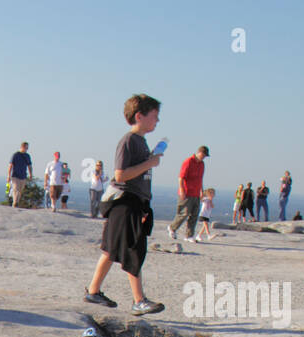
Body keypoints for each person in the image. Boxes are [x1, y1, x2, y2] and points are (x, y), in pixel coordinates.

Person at [83, 93, 164, 316]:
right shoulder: (129, 141)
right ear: (139, 116)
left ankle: (93, 291)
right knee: (133, 249)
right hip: (125, 202)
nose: (157, 121)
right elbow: (120, 174)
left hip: (134, 202)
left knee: (111, 249)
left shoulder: (140, 142)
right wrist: (150, 163)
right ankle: (139, 300)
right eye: (154, 116)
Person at [168, 145, 209, 241]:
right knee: (184, 212)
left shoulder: (202, 164)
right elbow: (181, 177)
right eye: (203, 155)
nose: (204, 157)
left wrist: (201, 191)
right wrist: (182, 190)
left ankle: (189, 235)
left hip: (196, 193)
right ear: (199, 152)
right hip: (187, 192)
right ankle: (172, 228)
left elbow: (200, 179)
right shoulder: (188, 161)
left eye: (205, 156)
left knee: (194, 214)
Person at [8, 142, 33, 207]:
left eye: (27, 148)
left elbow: (29, 166)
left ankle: (16, 202)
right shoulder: (15, 155)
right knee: (15, 189)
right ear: (22, 147)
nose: (27, 149)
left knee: (20, 190)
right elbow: (10, 165)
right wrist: (9, 175)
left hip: (23, 176)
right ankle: (15, 202)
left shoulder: (27, 156)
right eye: (26, 147)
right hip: (15, 175)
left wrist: (31, 174)